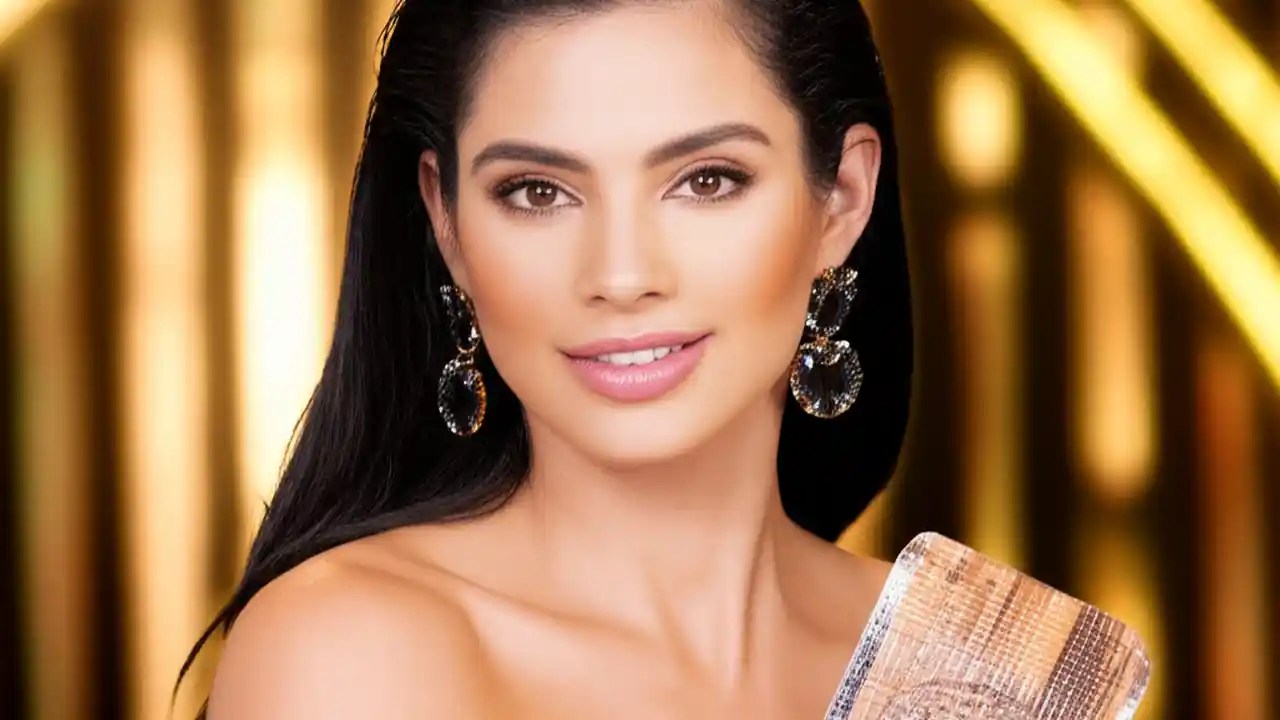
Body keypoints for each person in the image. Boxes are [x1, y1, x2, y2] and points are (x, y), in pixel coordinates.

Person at [180, 0, 913, 716]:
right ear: (447, 221)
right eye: (538, 192)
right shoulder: (346, 651)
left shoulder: (976, 658)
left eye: (706, 180)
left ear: (843, 197)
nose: (621, 277)